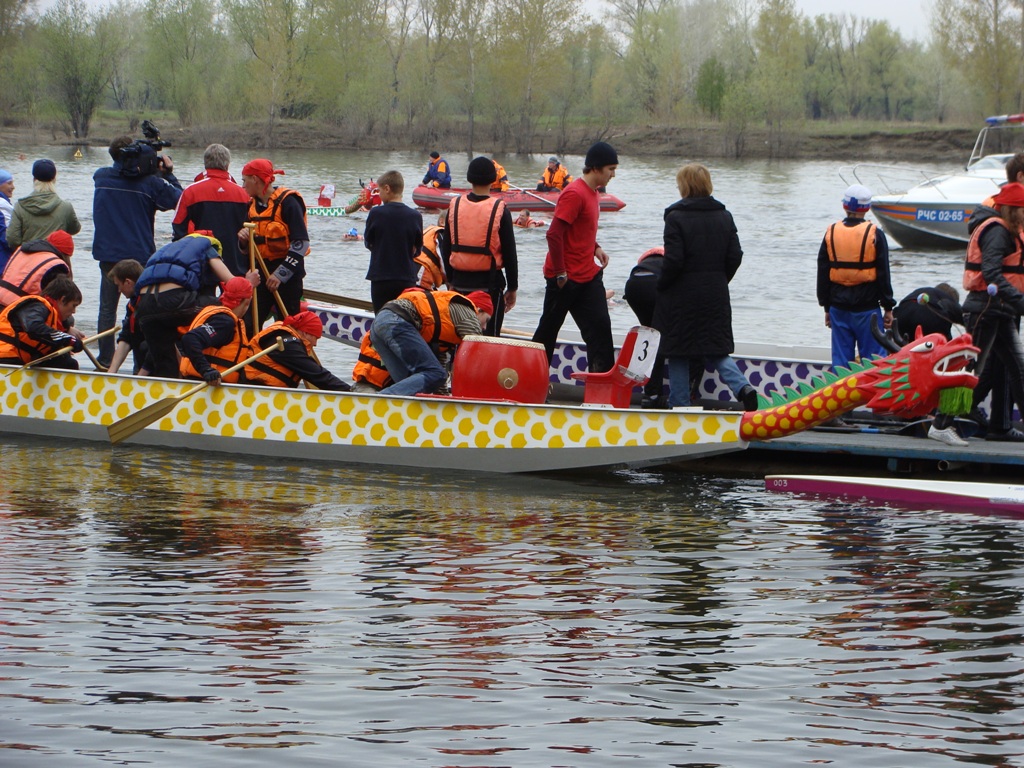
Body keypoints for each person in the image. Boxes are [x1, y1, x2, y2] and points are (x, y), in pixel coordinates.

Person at [653, 164, 758, 411]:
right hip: (715, 293)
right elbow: (735, 255)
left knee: (678, 350)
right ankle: (743, 387)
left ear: (684, 186)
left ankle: (680, 405)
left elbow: (674, 260)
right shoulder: (724, 216)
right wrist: (720, 280)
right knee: (715, 347)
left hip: (682, 295)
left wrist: (662, 284)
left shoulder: (675, 217)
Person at [92, 134, 183, 368]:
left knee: (106, 309)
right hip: (139, 256)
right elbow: (179, 199)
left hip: (108, 254)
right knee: (141, 310)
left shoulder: (101, 177)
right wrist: (166, 174)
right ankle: (140, 363)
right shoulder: (149, 184)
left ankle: (105, 360)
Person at [531, 141, 618, 374]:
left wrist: (596, 248)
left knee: (600, 330)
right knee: (547, 333)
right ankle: (530, 381)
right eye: (611, 169)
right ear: (596, 168)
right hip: (564, 279)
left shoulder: (593, 193)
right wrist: (560, 273)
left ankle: (600, 386)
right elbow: (554, 234)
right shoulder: (574, 193)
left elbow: (580, 229)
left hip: (588, 275)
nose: (613, 174)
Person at [961, 181, 1024, 442]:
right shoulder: (997, 231)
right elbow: (991, 273)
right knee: (971, 370)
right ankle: (942, 422)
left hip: (1001, 310)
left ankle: (995, 426)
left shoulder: (1007, 230)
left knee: (1018, 369)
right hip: (985, 309)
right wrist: (1019, 300)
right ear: (1013, 210)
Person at [133, 232, 243, 379]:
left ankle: (171, 384)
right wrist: (249, 283)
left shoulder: (168, 249)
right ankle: (207, 369)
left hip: (144, 308)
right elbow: (232, 283)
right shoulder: (207, 246)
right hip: (173, 301)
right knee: (219, 309)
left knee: (165, 364)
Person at [817, 184, 895, 369]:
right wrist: (888, 308)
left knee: (840, 364)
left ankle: (840, 388)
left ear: (845, 206)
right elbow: (883, 274)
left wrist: (826, 307)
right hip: (867, 309)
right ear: (867, 208)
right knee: (874, 362)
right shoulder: (875, 234)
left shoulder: (831, 232)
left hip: (838, 308)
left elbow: (823, 272)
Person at [440, 156, 519, 335]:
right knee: (488, 340)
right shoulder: (500, 210)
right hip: (489, 287)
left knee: (458, 338)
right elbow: (510, 253)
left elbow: (446, 248)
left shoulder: (455, 206)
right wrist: (512, 287)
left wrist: (450, 281)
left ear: (470, 179)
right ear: (493, 180)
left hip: (459, 284)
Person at [369, 288, 492, 396]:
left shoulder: (446, 324)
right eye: (486, 320)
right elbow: (478, 352)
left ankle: (379, 405)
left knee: (412, 384)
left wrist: (444, 399)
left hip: (379, 323)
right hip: (396, 321)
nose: (485, 327)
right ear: (479, 310)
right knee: (434, 374)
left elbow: (438, 372)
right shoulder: (469, 314)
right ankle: (376, 402)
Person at [237, 158, 309, 334]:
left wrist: (280, 275)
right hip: (261, 273)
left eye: (245, 180)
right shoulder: (251, 206)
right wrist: (243, 240)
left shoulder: (289, 202)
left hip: (287, 275)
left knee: (288, 326)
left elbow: (301, 243)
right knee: (249, 324)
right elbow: (247, 249)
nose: (243, 186)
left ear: (255, 179)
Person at [172, 143, 251, 276]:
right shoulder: (244, 193)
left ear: (205, 163)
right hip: (235, 264)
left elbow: (178, 226)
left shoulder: (191, 191)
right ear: (227, 164)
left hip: (202, 261)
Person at [245, 310, 351, 391]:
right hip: (255, 392)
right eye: (316, 338)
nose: (315, 344)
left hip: (264, 391)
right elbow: (317, 375)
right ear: (305, 333)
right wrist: (350, 392)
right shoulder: (288, 345)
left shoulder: (285, 337)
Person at [363, 170, 423, 312]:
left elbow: (368, 242)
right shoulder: (415, 216)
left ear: (387, 188)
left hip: (381, 277)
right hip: (406, 278)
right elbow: (417, 249)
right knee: (405, 319)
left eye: (379, 191)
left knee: (382, 317)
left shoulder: (376, 213)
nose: (378, 195)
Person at [179, 276, 254, 384]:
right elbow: (190, 339)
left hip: (202, 383)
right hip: (205, 385)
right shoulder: (224, 322)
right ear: (247, 301)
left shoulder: (219, 316)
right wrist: (206, 370)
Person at [0, 274, 83, 370]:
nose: (74, 311)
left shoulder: (50, 315)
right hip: (5, 358)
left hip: (17, 358)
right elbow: (34, 327)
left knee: (67, 362)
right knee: (67, 362)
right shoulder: (38, 305)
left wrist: (67, 341)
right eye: (73, 305)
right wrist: (69, 340)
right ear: (62, 299)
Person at [624, 246, 667, 408]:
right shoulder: (673, 257)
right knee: (659, 337)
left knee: (649, 333)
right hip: (654, 283)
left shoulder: (648, 257)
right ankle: (652, 394)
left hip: (633, 285)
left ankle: (645, 390)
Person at [7, 159, 81, 250]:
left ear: (34, 179)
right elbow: (75, 229)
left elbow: (12, 239)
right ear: (54, 179)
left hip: (29, 255)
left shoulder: (20, 206)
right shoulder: (65, 207)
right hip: (55, 256)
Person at [0, 230, 74, 309]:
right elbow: (56, 301)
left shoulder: (21, 250)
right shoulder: (56, 266)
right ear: (66, 255)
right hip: (17, 307)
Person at [106, 259, 147, 375]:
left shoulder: (148, 304)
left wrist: (140, 376)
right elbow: (126, 336)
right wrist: (112, 371)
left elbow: (157, 345)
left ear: (128, 282)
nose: (119, 290)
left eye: (119, 285)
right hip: (142, 364)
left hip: (157, 367)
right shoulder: (132, 305)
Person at [416, 211, 447, 290]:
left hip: (412, 270)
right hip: (422, 273)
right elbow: (444, 261)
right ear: (442, 221)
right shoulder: (441, 233)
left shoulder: (429, 231)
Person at [0, 168, 14, 272]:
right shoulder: (2, 205)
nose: (13, 187)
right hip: (3, 263)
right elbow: (6, 237)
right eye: (9, 183)